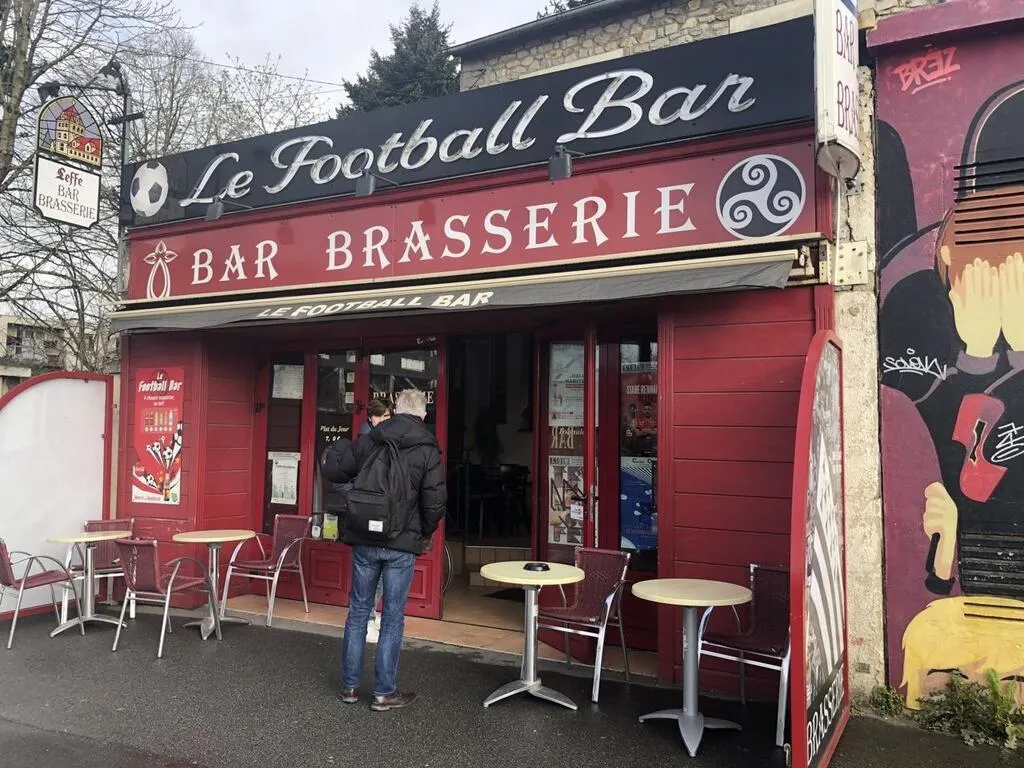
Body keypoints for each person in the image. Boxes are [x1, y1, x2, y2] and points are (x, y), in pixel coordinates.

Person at [337, 389, 446, 711]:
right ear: (423, 414)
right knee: (393, 617)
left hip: (365, 540)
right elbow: (435, 500)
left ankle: (349, 687)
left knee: (358, 612)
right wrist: (424, 535)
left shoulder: (372, 438)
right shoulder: (427, 448)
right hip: (401, 543)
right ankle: (384, 692)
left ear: (395, 411)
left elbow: (340, 473)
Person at [359, 400, 391, 642]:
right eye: (379, 416)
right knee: (372, 572)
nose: (383, 420)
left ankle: (371, 615)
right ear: (371, 418)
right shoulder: (368, 442)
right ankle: (368, 619)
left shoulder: (381, 441)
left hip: (378, 513)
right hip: (371, 515)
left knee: (377, 571)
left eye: (387, 416)